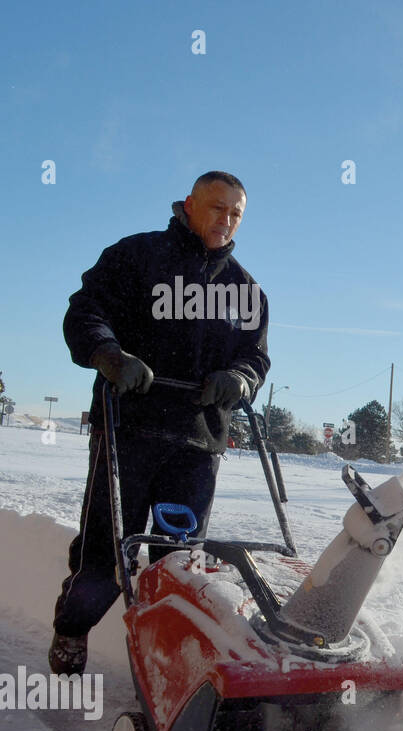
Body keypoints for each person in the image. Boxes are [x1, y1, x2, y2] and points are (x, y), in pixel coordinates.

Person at [50, 171, 270, 675]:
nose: (226, 220)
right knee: (105, 553)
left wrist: (238, 378)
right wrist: (109, 355)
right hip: (129, 427)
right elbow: (84, 312)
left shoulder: (246, 290)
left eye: (236, 213)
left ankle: (161, 668)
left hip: (199, 440)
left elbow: (255, 359)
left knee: (179, 561)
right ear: (189, 204)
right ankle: (72, 630)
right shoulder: (135, 257)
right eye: (217, 207)